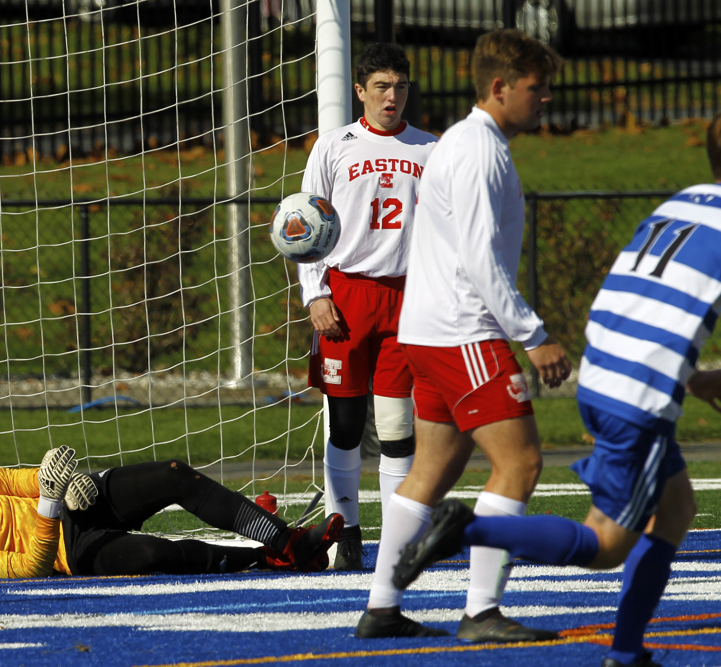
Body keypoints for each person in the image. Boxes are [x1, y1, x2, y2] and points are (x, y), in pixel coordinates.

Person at [390, 113, 721, 667]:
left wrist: (694, 376)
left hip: (606, 371)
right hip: (638, 399)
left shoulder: (683, 203)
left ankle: (626, 652)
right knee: (605, 545)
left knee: (677, 506)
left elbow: (646, 303)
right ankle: (466, 530)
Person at [354, 30, 571, 640]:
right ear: (499, 87)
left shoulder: (463, 142)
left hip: (428, 330)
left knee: (429, 474)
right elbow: (481, 260)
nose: (546, 98)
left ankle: (382, 606)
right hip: (461, 333)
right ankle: (480, 610)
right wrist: (533, 335)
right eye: (537, 87)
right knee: (521, 463)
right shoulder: (478, 150)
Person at [299, 43, 437, 571]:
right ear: (360, 90)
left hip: (407, 297)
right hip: (347, 296)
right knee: (347, 424)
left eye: (400, 86)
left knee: (399, 426)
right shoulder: (333, 147)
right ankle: (344, 534)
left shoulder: (431, 148)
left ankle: (399, 539)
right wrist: (315, 294)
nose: (392, 96)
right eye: (381, 86)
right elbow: (304, 227)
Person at [0, 429, 345, 579]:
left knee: (172, 474)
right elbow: (31, 570)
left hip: (68, 507)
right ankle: (263, 561)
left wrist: (60, 479)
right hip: (67, 553)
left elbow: (8, 479)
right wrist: (52, 503)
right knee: (152, 555)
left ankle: (288, 543)